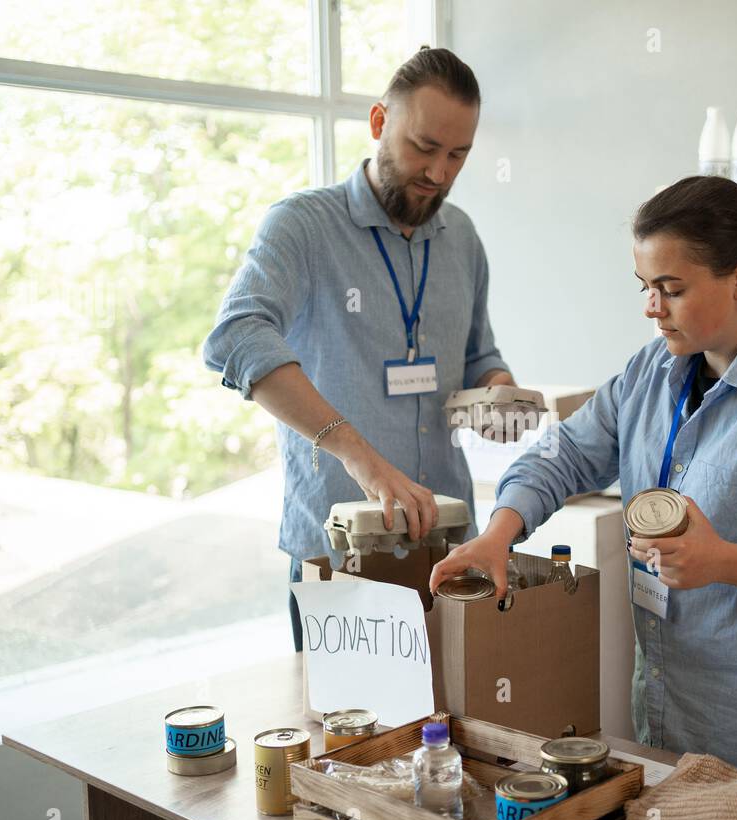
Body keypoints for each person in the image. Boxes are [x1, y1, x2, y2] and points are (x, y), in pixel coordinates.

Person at [429, 176, 737, 783]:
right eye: (646, 287)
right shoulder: (652, 370)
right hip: (666, 720)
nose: (651, 307)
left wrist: (728, 562)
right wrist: (500, 533)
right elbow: (564, 452)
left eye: (671, 289)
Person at [203, 48, 515, 653]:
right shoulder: (301, 227)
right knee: (344, 742)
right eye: (424, 147)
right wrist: (359, 456)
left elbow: (479, 354)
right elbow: (236, 337)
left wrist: (497, 390)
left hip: (450, 549)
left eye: (458, 155)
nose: (439, 173)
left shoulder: (464, 239)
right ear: (378, 123)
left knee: (448, 741)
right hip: (340, 551)